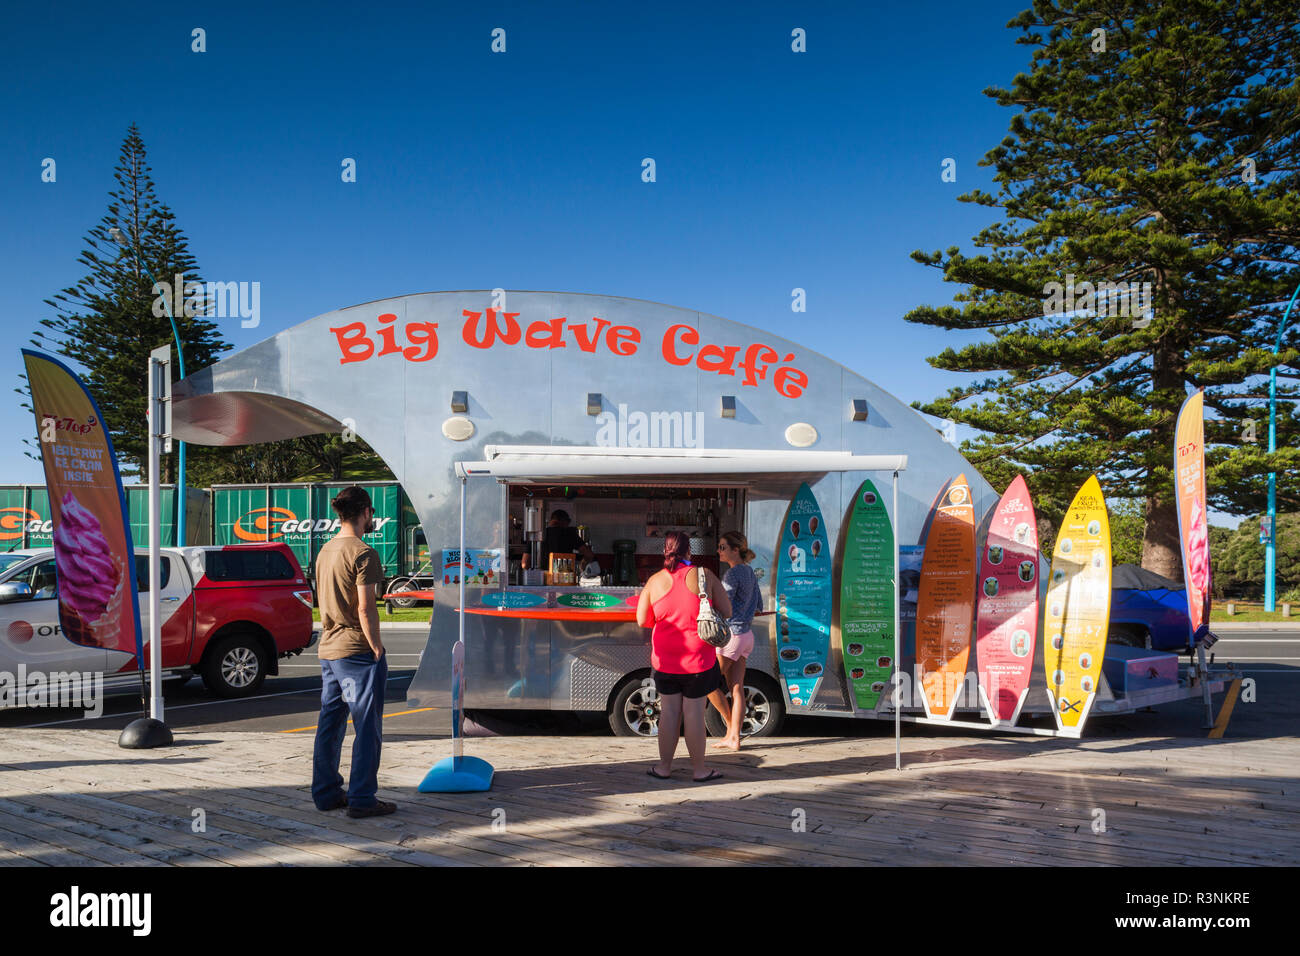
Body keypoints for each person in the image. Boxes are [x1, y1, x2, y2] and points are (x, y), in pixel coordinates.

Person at [311, 485, 395, 818]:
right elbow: (365, 608)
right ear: (365, 512)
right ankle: (362, 799)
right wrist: (376, 647)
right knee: (367, 726)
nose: (372, 517)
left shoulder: (325, 550)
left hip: (329, 649)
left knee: (330, 723)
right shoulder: (363, 552)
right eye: (371, 512)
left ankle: (327, 792)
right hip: (356, 652)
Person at [636, 531, 732, 782]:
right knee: (694, 713)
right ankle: (699, 770)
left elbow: (642, 619)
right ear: (689, 552)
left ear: (665, 552)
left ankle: (664, 767)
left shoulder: (655, 581)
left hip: (666, 660)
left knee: (668, 713)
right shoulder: (704, 576)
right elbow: (728, 610)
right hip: (699, 660)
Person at [707, 531, 761, 750]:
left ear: (735, 550)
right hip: (747, 636)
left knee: (707, 683)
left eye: (722, 547)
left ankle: (731, 730)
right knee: (736, 688)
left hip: (732, 636)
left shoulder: (731, 575)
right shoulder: (750, 572)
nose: (718, 551)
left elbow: (723, 604)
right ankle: (734, 738)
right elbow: (758, 606)